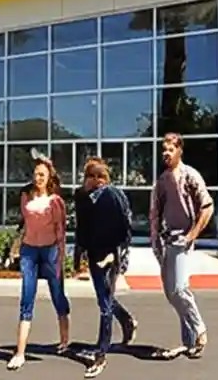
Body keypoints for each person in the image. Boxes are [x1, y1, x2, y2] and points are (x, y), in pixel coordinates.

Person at [148, 132, 213, 360]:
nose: (166, 153)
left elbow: (207, 207)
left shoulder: (190, 175)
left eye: (170, 149)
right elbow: (155, 213)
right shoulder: (163, 180)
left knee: (179, 289)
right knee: (170, 293)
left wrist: (192, 235)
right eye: (164, 150)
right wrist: (155, 242)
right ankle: (189, 341)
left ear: (179, 151)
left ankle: (200, 330)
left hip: (182, 240)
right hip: (166, 241)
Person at [73, 157, 138, 378]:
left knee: (104, 304)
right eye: (90, 176)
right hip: (93, 252)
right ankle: (127, 320)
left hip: (111, 254)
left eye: (99, 176)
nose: (95, 181)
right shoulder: (81, 196)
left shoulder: (112, 195)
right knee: (104, 298)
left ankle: (101, 353)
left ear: (105, 178)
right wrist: (78, 253)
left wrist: (117, 253)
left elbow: (125, 227)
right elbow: (82, 226)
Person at [7, 157, 71, 371]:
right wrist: (15, 248)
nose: (38, 178)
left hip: (50, 250)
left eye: (42, 174)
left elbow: (61, 233)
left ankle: (64, 341)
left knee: (57, 293)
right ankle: (20, 352)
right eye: (35, 174)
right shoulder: (25, 196)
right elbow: (24, 224)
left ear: (49, 177)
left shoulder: (56, 202)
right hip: (29, 251)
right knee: (27, 296)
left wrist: (62, 258)